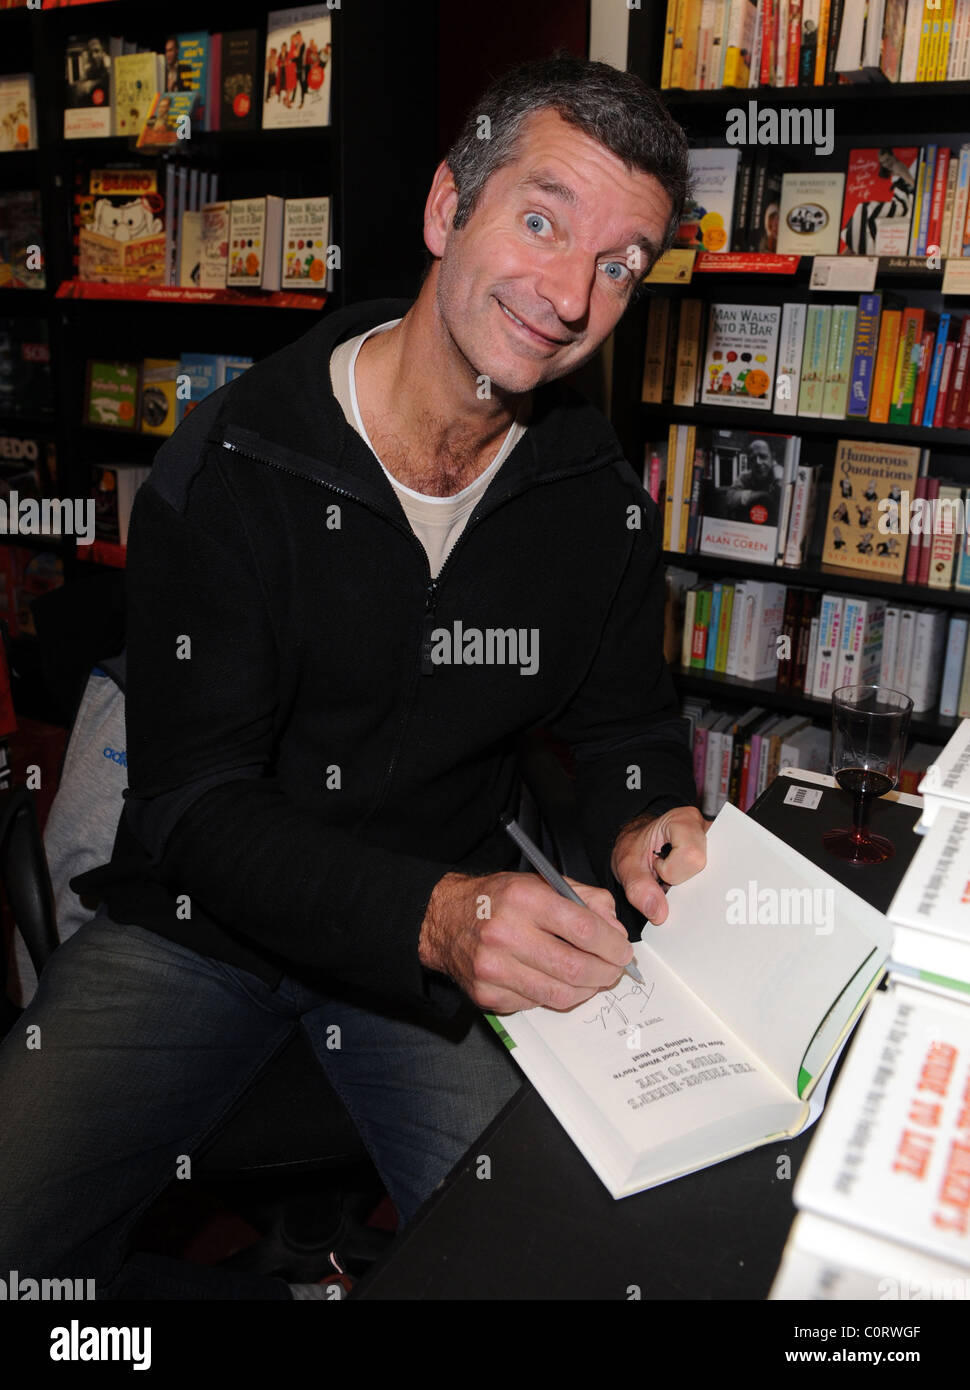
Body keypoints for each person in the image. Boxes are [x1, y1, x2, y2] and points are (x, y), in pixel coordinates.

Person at [0, 53, 707, 1301]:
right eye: (541, 222)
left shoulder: (593, 499)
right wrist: (432, 912)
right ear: (446, 210)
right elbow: (194, 805)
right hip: (202, 929)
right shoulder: (233, 464)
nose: (567, 295)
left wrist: (648, 818)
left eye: (618, 264)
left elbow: (623, 730)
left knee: (550, 1269)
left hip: (437, 966)